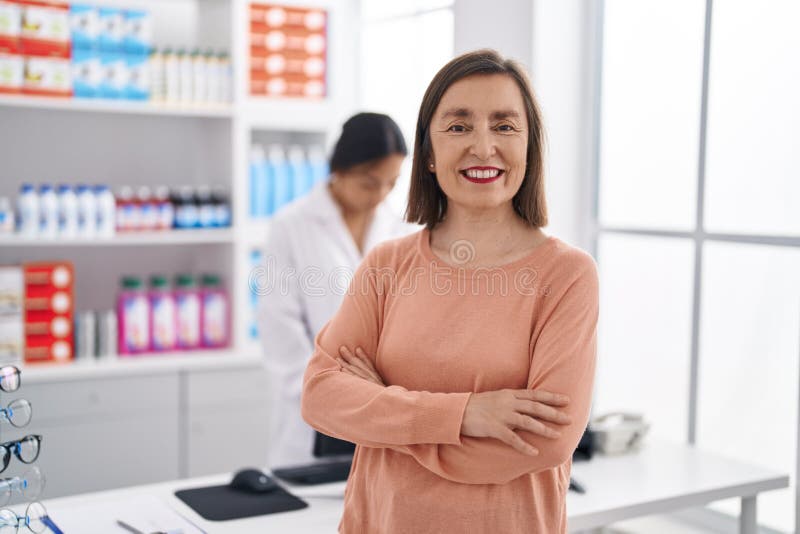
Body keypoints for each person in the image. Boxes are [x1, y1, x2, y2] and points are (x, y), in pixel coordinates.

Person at [301, 49, 599, 533]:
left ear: (530, 147)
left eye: (504, 126)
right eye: (459, 127)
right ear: (430, 154)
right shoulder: (387, 265)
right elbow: (320, 396)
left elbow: (545, 442)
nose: (483, 147)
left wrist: (383, 412)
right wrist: (465, 414)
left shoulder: (567, 276)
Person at [258, 112, 415, 469]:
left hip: (386, 415)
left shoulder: (403, 229)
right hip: (313, 423)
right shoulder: (292, 225)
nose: (380, 194)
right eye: (369, 182)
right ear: (339, 169)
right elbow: (279, 328)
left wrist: (382, 398)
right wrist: (335, 395)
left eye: (391, 183)